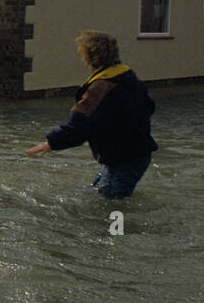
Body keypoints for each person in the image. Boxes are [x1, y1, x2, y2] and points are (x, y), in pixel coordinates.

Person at [26, 30, 158, 197]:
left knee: (110, 204)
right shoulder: (129, 79)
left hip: (125, 158)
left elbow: (79, 127)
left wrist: (51, 143)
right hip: (132, 155)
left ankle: (121, 224)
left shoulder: (100, 89)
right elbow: (148, 108)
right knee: (94, 193)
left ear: (89, 57)